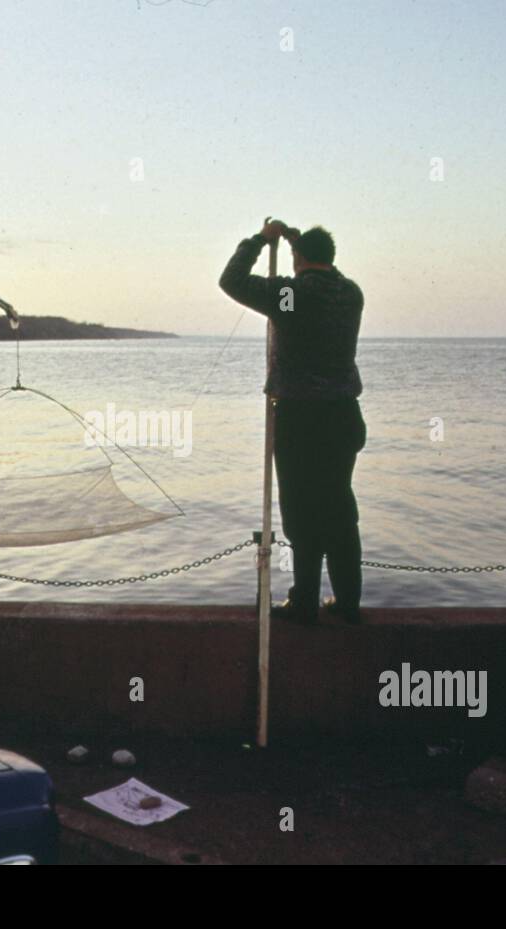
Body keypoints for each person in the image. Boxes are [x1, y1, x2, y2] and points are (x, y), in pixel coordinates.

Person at [218, 218, 366, 625]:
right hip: (343, 416)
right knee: (339, 508)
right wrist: (298, 245)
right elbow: (321, 274)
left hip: (302, 420)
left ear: (298, 258)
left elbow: (231, 280)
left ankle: (304, 602)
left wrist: (261, 240)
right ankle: (348, 601)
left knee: (302, 513)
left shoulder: (289, 296)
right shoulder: (351, 294)